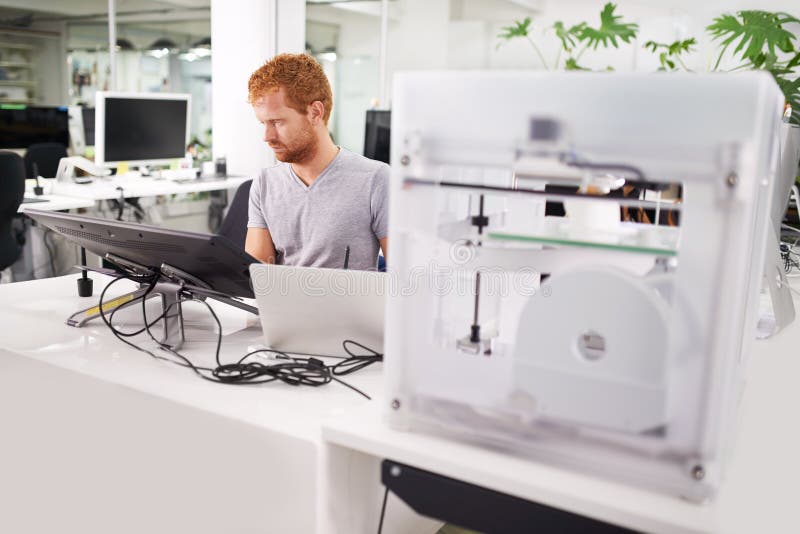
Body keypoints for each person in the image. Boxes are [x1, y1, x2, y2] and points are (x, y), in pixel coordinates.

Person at [245, 53, 389, 271]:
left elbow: (405, 278)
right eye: (263, 123)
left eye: (277, 122)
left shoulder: (375, 179)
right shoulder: (265, 183)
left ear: (315, 112)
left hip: (348, 305)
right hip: (283, 303)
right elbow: (254, 277)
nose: (267, 136)